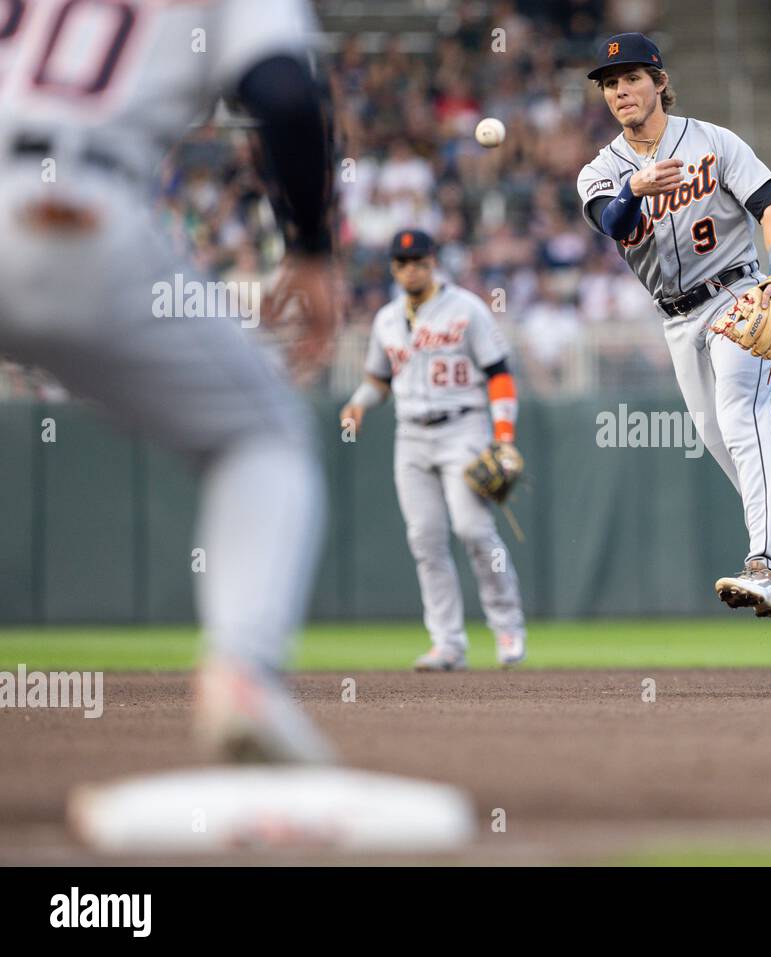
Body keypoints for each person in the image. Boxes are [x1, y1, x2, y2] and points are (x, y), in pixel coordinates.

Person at [0, 0, 339, 761]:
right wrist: (311, 249)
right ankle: (243, 675)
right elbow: (285, 93)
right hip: (68, 210)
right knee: (263, 437)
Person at [574, 33, 771, 651]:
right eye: (610, 83)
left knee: (740, 411)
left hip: (740, 296)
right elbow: (612, 225)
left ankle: (765, 568)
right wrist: (633, 192)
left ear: (660, 81)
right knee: (755, 481)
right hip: (676, 321)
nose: (621, 90)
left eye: (633, 77)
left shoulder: (714, 141)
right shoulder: (600, 171)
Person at [340, 230, 527, 671]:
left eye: (418, 261)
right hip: (410, 435)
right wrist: (358, 402)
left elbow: (499, 373)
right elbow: (378, 381)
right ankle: (447, 643)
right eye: (402, 262)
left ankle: (508, 625)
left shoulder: (467, 308)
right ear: (393, 267)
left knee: (472, 529)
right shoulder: (386, 319)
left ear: (433, 262)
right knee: (424, 538)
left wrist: (503, 437)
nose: (411, 269)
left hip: (462, 426)